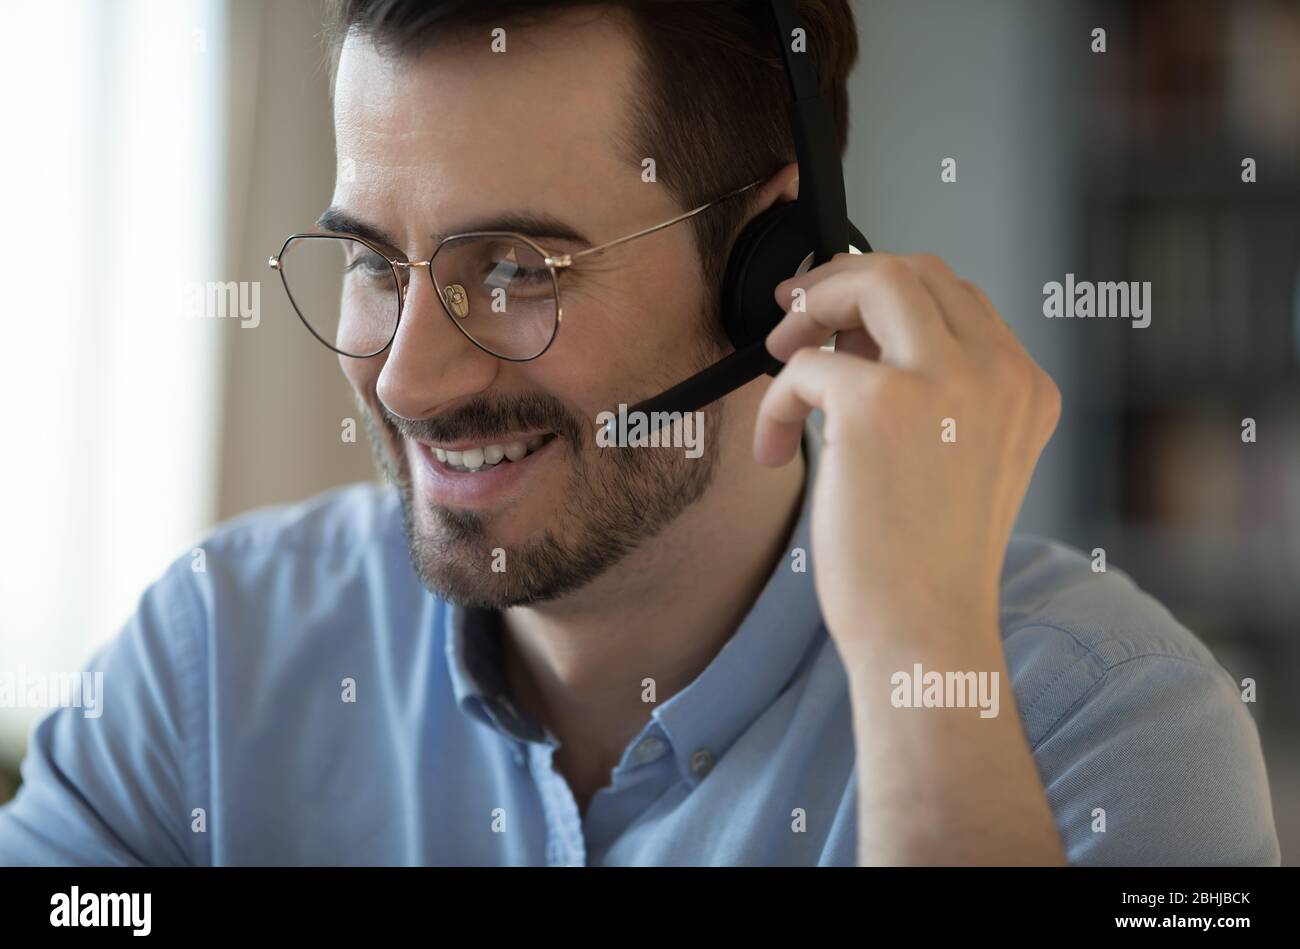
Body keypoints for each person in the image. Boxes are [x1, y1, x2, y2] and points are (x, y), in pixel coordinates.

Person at [0, 0, 1279, 865]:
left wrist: (917, 664)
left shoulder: (1106, 725)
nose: (407, 381)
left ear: (774, 263)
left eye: (514, 268)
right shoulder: (211, 655)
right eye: (374, 262)